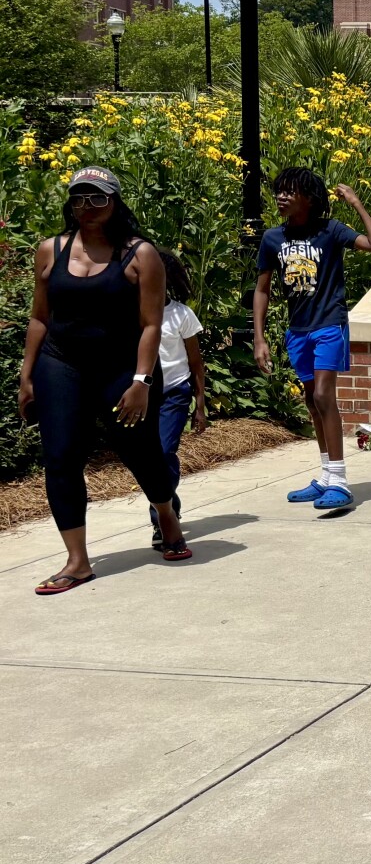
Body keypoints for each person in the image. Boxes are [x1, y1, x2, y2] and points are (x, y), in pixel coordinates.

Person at [17, 167, 190, 592]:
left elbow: (151, 325)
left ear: (115, 202)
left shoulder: (140, 254)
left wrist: (141, 382)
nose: (87, 207)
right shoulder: (50, 250)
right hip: (61, 365)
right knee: (59, 459)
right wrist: (27, 376)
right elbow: (40, 318)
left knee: (141, 451)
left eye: (97, 198)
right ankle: (77, 561)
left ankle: (165, 512)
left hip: (121, 368)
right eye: (78, 198)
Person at [253, 168, 371, 510]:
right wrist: (259, 337)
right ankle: (326, 476)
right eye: (278, 191)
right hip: (298, 329)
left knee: (326, 395)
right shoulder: (272, 238)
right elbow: (262, 289)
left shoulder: (331, 231)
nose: (281, 197)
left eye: (289, 192)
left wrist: (356, 202)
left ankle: (340, 482)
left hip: (330, 324)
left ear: (309, 199)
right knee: (312, 400)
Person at [148, 251, 208, 551]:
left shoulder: (181, 314)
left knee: (163, 449)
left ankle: (161, 520)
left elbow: (196, 363)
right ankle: (169, 506)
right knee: (151, 457)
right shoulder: (133, 312)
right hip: (143, 394)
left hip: (174, 392)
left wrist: (200, 404)